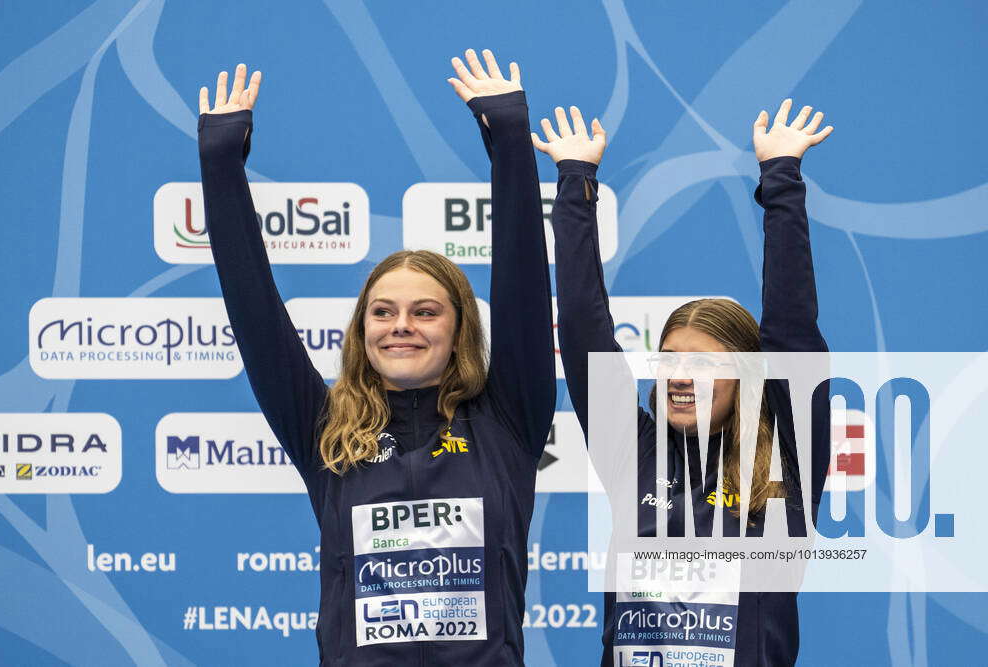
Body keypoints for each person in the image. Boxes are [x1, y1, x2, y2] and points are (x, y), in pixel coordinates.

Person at [197, 49, 554, 665]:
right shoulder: (327, 430)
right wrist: (220, 166)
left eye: (425, 311)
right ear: (362, 328)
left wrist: (511, 144)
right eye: (383, 312)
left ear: (459, 326)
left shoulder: (508, 420)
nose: (401, 328)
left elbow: (523, 282)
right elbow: (254, 310)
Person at [534, 100, 832, 666]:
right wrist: (575, 184)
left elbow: (793, 328)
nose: (679, 377)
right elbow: (581, 328)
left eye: (702, 364)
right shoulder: (634, 450)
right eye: (669, 360)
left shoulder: (787, 461)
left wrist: (782, 181)